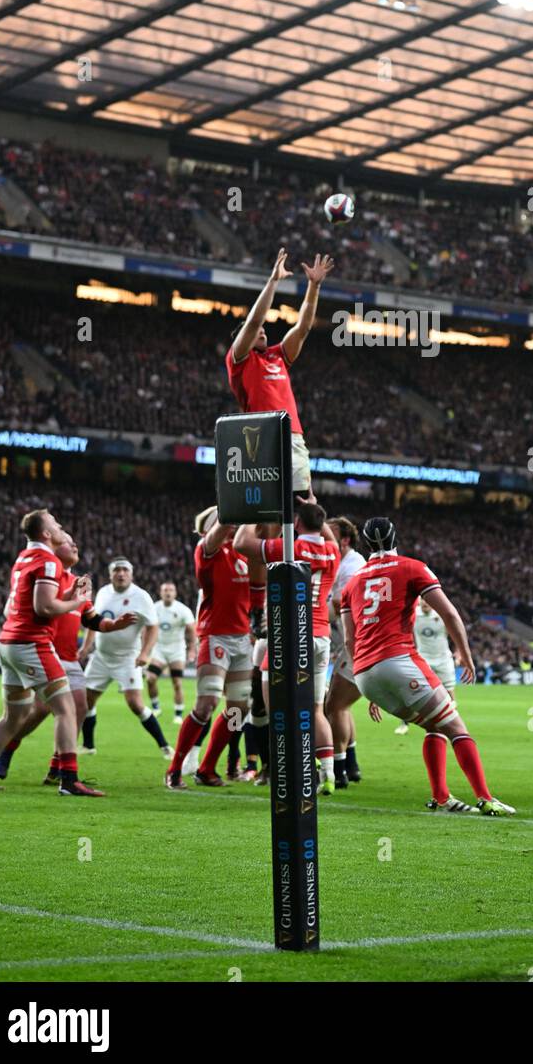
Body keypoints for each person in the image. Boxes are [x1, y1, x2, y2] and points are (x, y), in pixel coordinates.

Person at [340, 516, 515, 817]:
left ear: (365, 545)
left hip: (365, 673)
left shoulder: (353, 582)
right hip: (399, 660)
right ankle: (485, 798)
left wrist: (367, 687)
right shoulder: (412, 567)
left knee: (434, 726)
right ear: (396, 540)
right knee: (457, 727)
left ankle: (441, 798)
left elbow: (348, 639)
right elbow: (449, 613)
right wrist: (466, 655)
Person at [225, 247, 334, 652]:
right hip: (262, 442)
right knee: (266, 525)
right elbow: (254, 318)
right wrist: (272, 282)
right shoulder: (238, 360)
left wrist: (312, 287)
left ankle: (303, 595)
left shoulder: (277, 358)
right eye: (258, 331)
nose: (264, 331)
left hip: (294, 440)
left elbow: (303, 328)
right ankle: (261, 605)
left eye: (266, 330)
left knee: (305, 510)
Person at [0, 508, 105, 796]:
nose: (61, 526)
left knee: (13, 717)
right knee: (67, 709)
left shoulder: (23, 558)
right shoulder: (49, 562)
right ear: (47, 534)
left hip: (9, 644)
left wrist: (69, 595)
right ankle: (68, 779)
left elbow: (37, 602)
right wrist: (77, 603)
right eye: (56, 523)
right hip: (31, 643)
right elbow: (44, 609)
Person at [0, 533, 136, 783]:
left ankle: (57, 769)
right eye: (69, 543)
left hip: (69, 657)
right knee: (39, 710)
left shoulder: (77, 583)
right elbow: (12, 609)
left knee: (80, 707)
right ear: (55, 550)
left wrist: (114, 624)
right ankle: (8, 748)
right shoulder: (46, 578)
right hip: (43, 651)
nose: (75, 545)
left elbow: (91, 618)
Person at [235, 497, 340, 794]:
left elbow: (242, 544)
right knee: (316, 709)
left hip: (291, 637)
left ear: (295, 524)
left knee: (277, 709)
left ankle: (289, 769)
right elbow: (327, 534)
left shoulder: (289, 547)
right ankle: (328, 775)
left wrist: (250, 511)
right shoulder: (333, 552)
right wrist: (317, 506)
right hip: (321, 637)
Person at [165, 507, 251, 790]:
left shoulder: (242, 551)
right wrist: (232, 502)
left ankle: (207, 768)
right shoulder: (207, 550)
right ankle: (174, 769)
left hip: (242, 639)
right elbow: (220, 530)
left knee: (239, 709)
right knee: (206, 705)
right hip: (215, 637)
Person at [81, 558, 170, 758]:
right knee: (87, 701)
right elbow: (94, 621)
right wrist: (86, 647)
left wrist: (145, 653)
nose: (121, 574)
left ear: (131, 574)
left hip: (127, 658)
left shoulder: (141, 596)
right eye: (116, 570)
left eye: (124, 570)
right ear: (110, 574)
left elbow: (152, 626)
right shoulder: (103, 593)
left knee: (135, 704)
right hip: (101, 657)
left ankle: (164, 746)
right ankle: (88, 746)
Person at [324, 517, 367, 786]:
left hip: (359, 642)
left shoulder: (353, 566)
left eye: (330, 535)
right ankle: (351, 765)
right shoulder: (341, 562)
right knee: (342, 705)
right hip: (348, 643)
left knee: (334, 706)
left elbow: (340, 606)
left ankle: (338, 771)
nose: (325, 539)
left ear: (345, 540)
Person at [394, 599, 457, 737]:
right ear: (419, 603)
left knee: (449, 693)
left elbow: (455, 629)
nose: (425, 605)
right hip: (423, 658)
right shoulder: (413, 614)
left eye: (427, 602)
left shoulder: (441, 615)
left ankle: (453, 726)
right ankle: (404, 724)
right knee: (411, 691)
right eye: (422, 602)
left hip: (443, 659)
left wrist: (458, 652)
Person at [146, 582, 196, 725]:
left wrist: (192, 649)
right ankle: (156, 707)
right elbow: (147, 628)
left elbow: (191, 631)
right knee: (150, 679)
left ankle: (178, 714)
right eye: (165, 590)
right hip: (159, 649)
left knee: (177, 683)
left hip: (177, 650)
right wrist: (145, 649)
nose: (168, 592)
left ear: (175, 593)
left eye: (170, 590)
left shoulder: (183, 610)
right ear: (160, 593)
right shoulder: (154, 608)